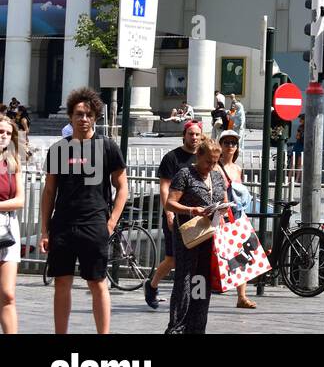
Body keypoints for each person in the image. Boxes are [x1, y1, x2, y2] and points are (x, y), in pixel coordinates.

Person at [40, 88, 128, 335]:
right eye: (78, 114)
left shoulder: (108, 147)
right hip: (63, 225)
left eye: (88, 114)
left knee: (98, 283)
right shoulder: (59, 149)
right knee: (62, 283)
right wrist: (45, 230)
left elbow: (123, 188)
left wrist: (110, 223)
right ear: (70, 117)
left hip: (95, 224)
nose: (83, 119)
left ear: (96, 117)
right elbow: (49, 192)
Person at [164, 135, 228, 334]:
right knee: (185, 278)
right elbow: (169, 203)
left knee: (202, 278)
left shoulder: (217, 176)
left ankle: (197, 326)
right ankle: (177, 326)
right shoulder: (185, 174)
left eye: (215, 162)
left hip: (210, 234)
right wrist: (192, 210)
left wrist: (222, 211)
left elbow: (224, 200)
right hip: (189, 235)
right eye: (208, 161)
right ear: (198, 156)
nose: (211, 166)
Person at [144, 120, 202, 310]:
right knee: (173, 259)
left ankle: (194, 298)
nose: (194, 138)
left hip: (197, 216)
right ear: (184, 135)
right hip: (176, 214)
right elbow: (164, 187)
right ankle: (152, 286)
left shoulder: (203, 157)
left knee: (198, 260)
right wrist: (169, 212)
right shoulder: (172, 157)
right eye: (191, 134)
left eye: (197, 134)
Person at [217, 130, 256, 310]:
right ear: (221, 146)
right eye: (227, 143)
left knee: (244, 256)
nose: (231, 146)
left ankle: (242, 296)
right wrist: (224, 215)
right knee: (222, 256)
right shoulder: (216, 167)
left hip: (239, 215)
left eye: (234, 143)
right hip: (224, 215)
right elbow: (219, 193)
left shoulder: (238, 168)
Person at [0, 115, 24, 333]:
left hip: (7, 230)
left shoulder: (12, 162)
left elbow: (20, 200)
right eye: (0, 132)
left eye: (8, 133)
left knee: (8, 294)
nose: (4, 137)